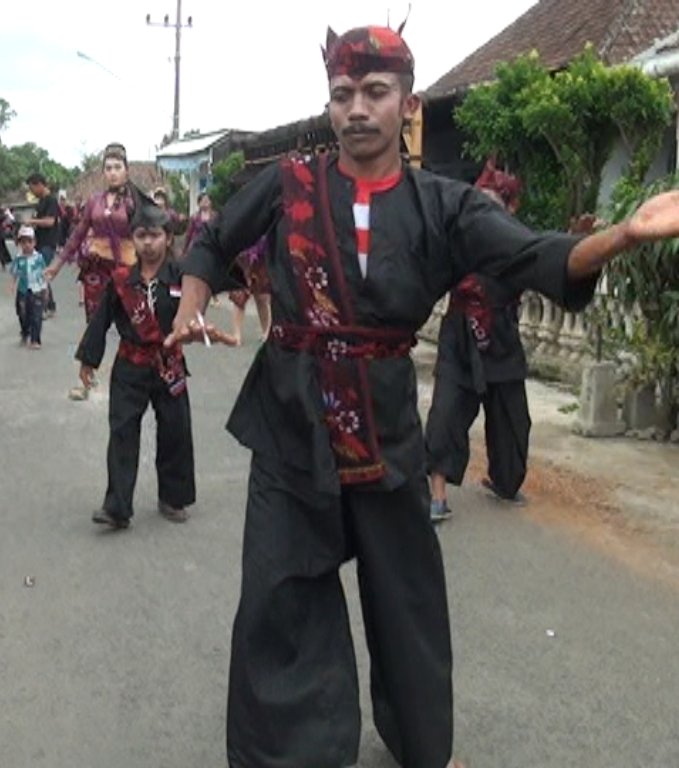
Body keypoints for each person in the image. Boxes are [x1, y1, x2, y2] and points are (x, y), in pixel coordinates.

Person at [164, 22, 679, 768]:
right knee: (280, 592)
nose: (356, 109)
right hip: (292, 418)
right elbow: (212, 244)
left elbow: (536, 255)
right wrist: (189, 305)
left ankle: (417, 738)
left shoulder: (445, 206)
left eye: (375, 92)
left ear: (408, 105)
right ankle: (290, 753)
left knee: (405, 597)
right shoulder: (288, 185)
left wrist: (624, 235)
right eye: (342, 93)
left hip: (385, 426)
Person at [76, 196, 233, 530]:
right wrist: (88, 360)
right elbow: (100, 321)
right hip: (129, 366)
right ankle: (117, 507)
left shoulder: (183, 276)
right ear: (132, 238)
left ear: (168, 237)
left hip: (169, 365)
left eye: (155, 235)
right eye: (141, 235)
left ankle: (173, 498)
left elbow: (201, 300)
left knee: (176, 430)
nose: (148, 243)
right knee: (122, 432)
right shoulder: (121, 279)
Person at [425, 160, 528, 522]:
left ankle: (506, 482)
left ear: (509, 209)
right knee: (445, 413)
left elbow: (551, 266)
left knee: (512, 419)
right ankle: (437, 494)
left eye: (491, 203)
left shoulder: (520, 243)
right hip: (459, 335)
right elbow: (423, 276)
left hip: (502, 337)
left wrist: (577, 247)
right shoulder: (455, 239)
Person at [45, 143, 142, 401]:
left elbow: (151, 234)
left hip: (127, 269)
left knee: (133, 324)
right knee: (94, 325)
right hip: (96, 269)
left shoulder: (135, 201)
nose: (113, 173)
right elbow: (77, 234)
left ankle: (135, 381)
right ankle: (85, 380)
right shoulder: (94, 201)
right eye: (108, 168)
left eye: (117, 167)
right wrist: (57, 264)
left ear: (126, 170)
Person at [24, 173, 61, 317]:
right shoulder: (41, 201)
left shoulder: (51, 200)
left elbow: (50, 221)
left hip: (48, 243)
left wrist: (32, 222)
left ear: (39, 184)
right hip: (40, 242)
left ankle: (46, 307)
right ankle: (48, 306)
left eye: (32, 188)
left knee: (41, 273)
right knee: (39, 273)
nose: (32, 192)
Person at [9, 225, 46, 349]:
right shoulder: (18, 259)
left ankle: (36, 339)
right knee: (22, 313)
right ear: (19, 244)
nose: (27, 245)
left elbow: (44, 273)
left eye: (29, 242)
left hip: (37, 289)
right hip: (23, 290)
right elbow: (15, 273)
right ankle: (25, 332)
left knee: (37, 315)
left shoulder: (39, 258)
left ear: (34, 242)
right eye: (23, 242)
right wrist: (12, 285)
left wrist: (45, 288)